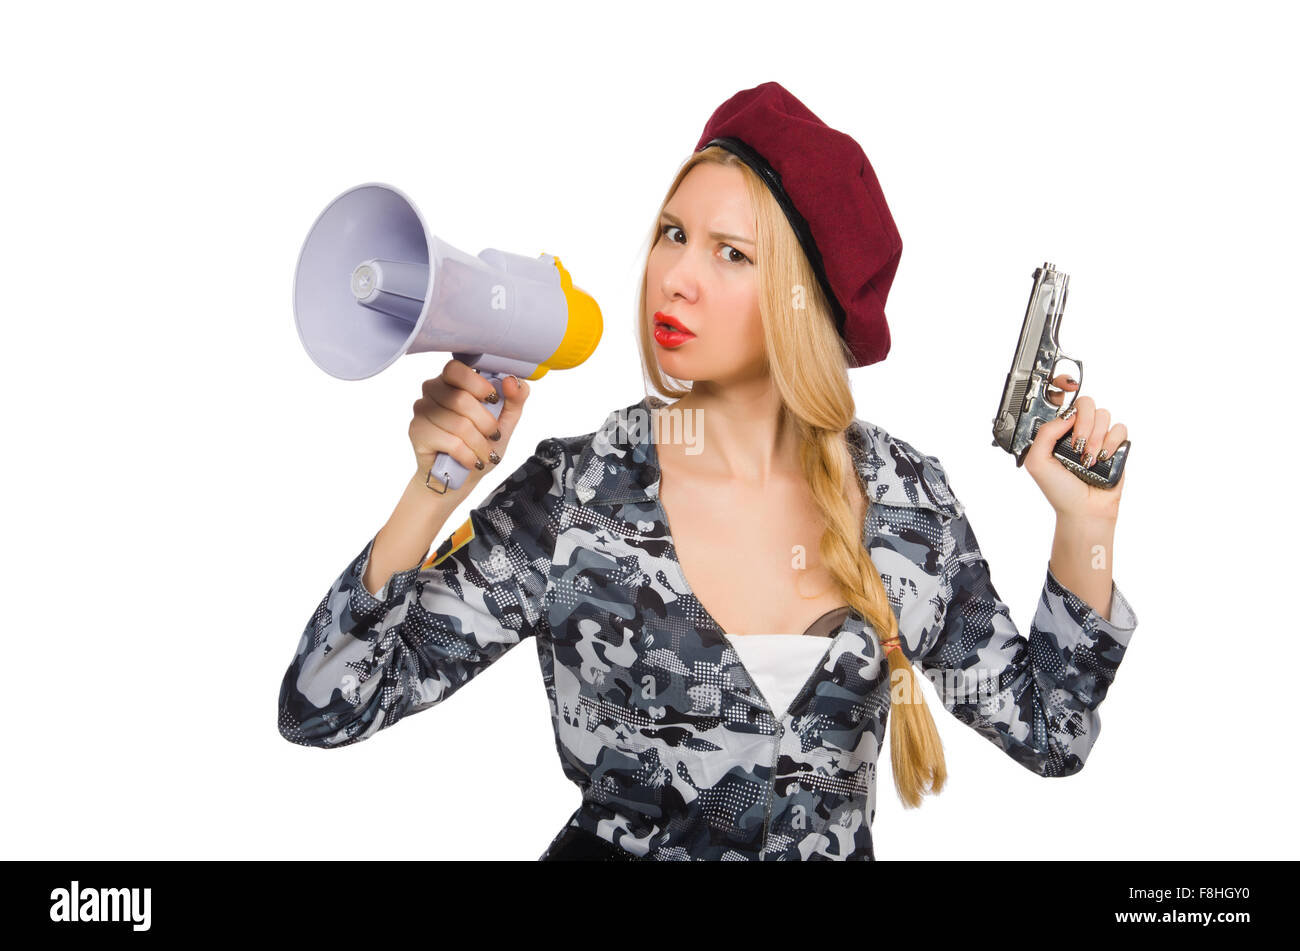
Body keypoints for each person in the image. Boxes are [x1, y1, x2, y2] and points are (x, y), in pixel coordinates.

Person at [277, 82, 1138, 861]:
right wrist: (433, 491)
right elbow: (323, 706)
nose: (676, 277)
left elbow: (1051, 734)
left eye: (732, 253)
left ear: (802, 298)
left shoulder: (909, 501)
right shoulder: (576, 495)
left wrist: (1086, 531)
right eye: (672, 234)